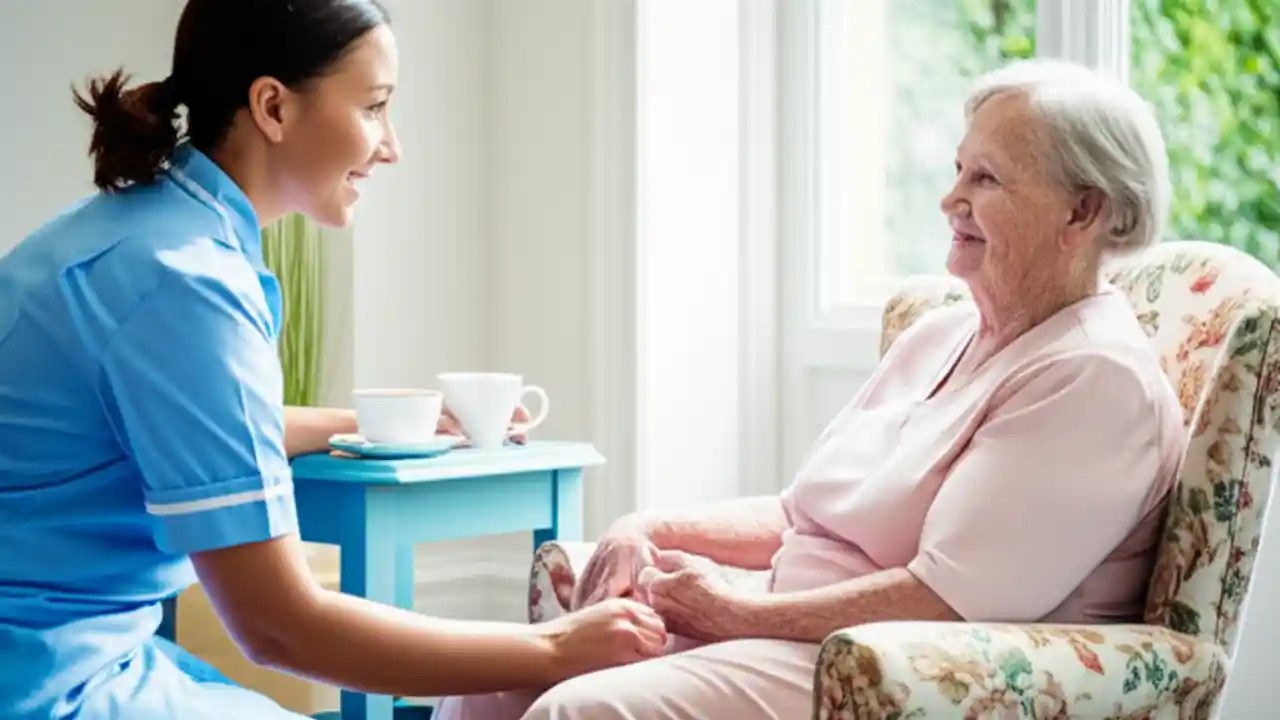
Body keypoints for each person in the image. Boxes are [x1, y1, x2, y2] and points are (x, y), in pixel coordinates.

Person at [437, 58, 1185, 720]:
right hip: (784, 628)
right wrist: (648, 526)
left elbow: (945, 601)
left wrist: (735, 613)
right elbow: (801, 514)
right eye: (957, 170)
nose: (949, 199)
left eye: (984, 177)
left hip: (878, 671)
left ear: (1081, 212)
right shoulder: (939, 335)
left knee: (577, 711)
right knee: (497, 678)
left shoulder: (1095, 380)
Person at [0, 2, 668, 719]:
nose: (391, 145)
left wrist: (370, 424)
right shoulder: (188, 284)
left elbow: (176, 427)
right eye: (376, 108)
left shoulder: (143, 233)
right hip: (46, 677)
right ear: (273, 107)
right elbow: (278, 625)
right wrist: (556, 647)